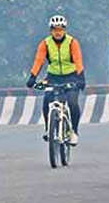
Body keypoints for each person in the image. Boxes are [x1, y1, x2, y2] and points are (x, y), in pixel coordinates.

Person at [26, 15, 85, 146]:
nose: (58, 32)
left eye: (60, 29)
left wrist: (81, 78)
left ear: (65, 30)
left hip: (71, 76)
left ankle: (74, 132)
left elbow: (78, 60)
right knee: (47, 99)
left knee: (72, 102)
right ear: (50, 31)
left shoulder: (72, 42)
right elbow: (39, 60)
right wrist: (32, 77)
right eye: (55, 30)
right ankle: (49, 129)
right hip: (52, 77)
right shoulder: (45, 43)